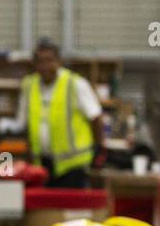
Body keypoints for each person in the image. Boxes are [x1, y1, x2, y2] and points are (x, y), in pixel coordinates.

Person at [16, 39, 105, 188]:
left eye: (49, 60)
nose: (45, 66)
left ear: (59, 61)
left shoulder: (75, 84)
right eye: (40, 61)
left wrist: (99, 151)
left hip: (73, 166)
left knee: (70, 210)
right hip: (42, 166)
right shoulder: (29, 85)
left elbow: (95, 117)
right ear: (34, 64)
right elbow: (25, 124)